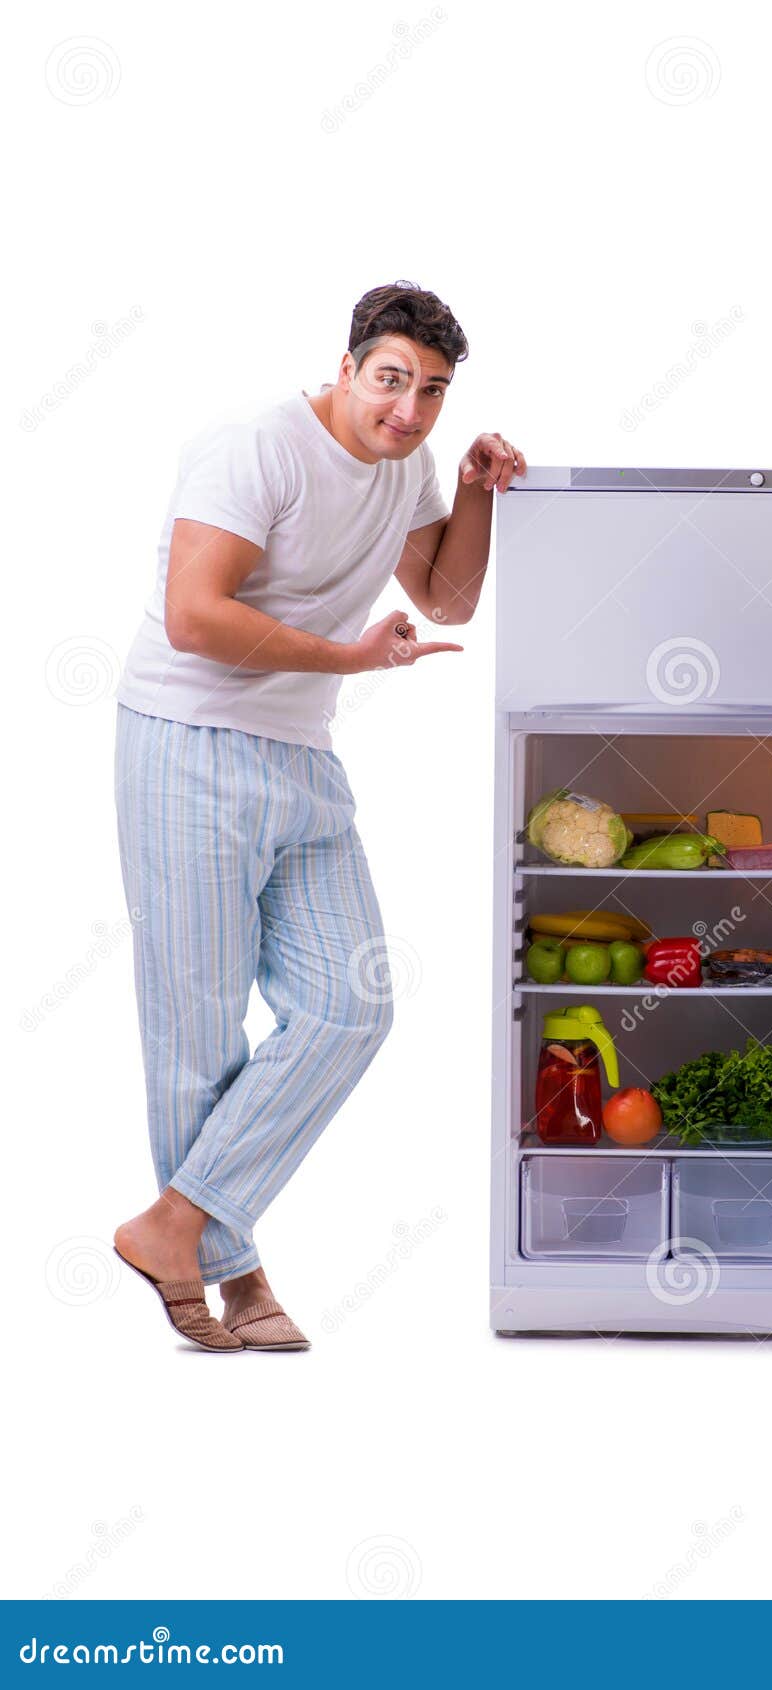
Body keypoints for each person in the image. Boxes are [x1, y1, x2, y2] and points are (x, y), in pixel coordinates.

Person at [112, 280, 526, 1352]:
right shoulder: (256, 449)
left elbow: (445, 597)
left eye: (433, 392)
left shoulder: (409, 463)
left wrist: (474, 490)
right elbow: (194, 617)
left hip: (300, 756)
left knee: (353, 1004)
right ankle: (234, 1274)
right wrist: (350, 659)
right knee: (199, 1036)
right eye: (392, 380)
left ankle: (175, 1226)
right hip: (186, 743)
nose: (409, 410)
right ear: (346, 368)